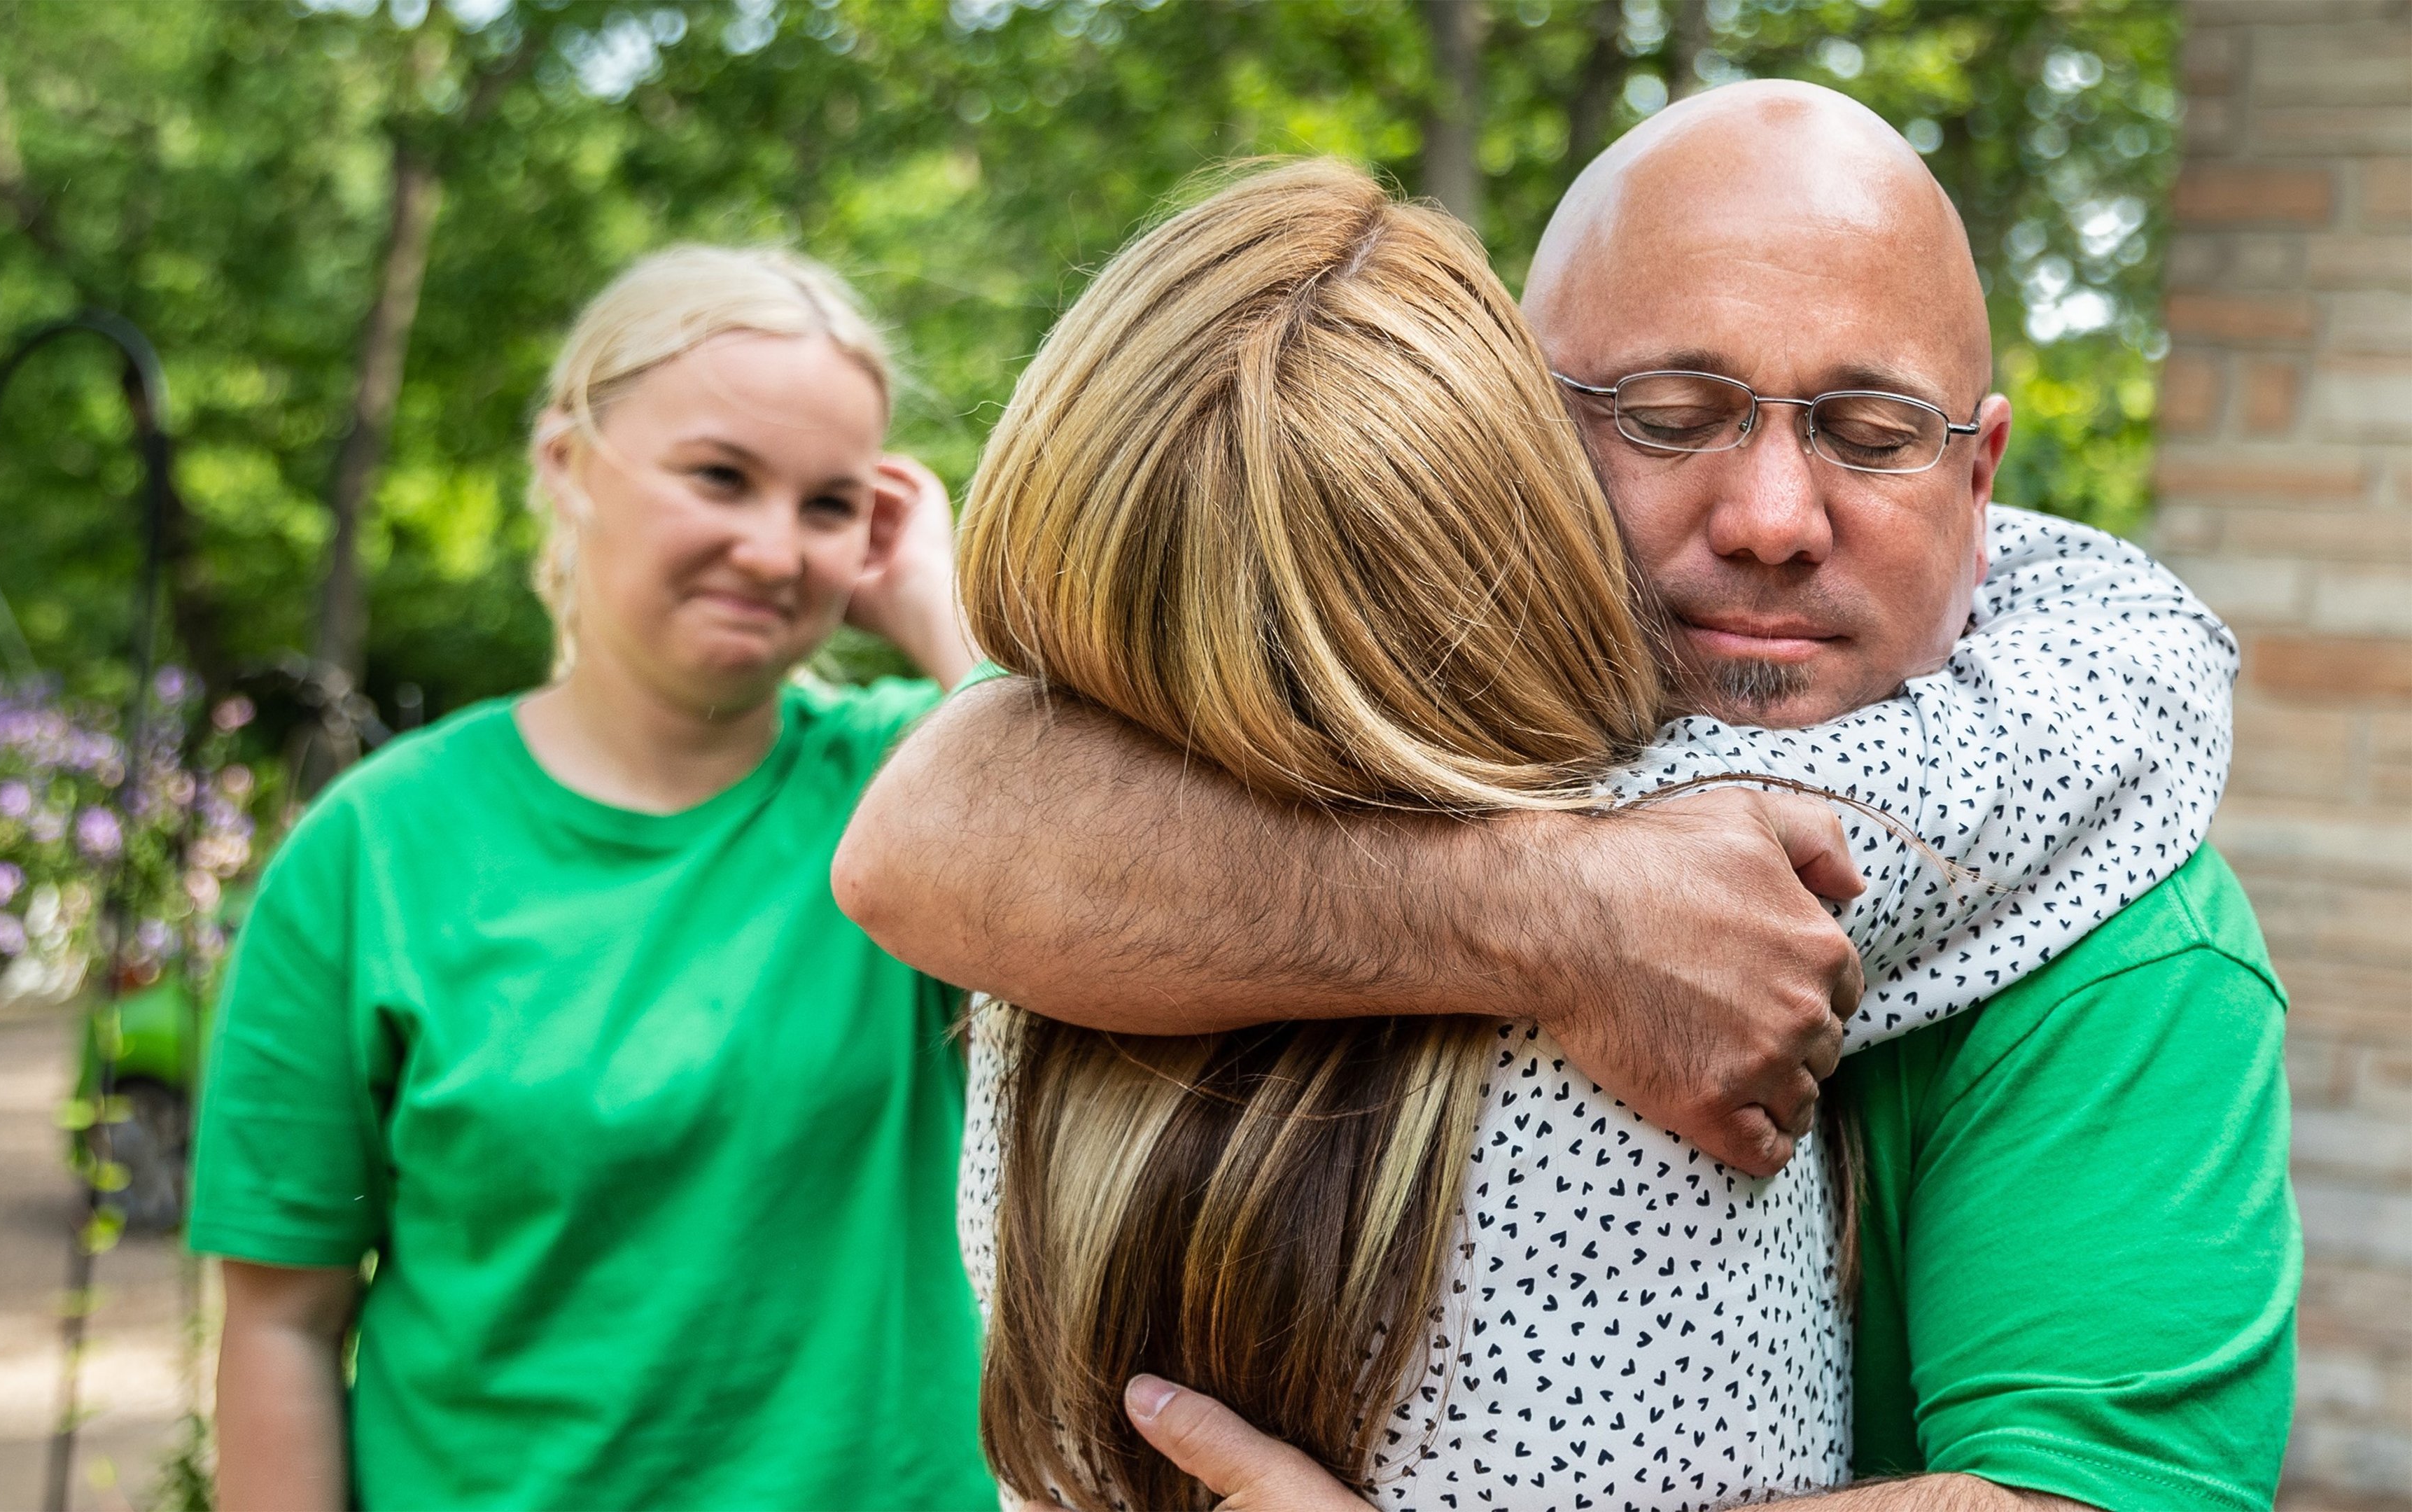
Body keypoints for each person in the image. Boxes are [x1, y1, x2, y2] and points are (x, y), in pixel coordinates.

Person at [839, 86, 2294, 1511]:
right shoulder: (1303, 717)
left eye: (1866, 434)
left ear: (1978, 479)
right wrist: (1559, 913)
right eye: (1669, 417)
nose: (1774, 522)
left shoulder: (2129, 917)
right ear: (1515, 433)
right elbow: (922, 833)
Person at [188, 246, 995, 1512]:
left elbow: (1150, 870)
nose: (776, 550)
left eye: (833, 505)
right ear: (568, 467)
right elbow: (282, 1321)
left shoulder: (927, 783)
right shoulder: (376, 850)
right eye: (721, 477)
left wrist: (942, 612)